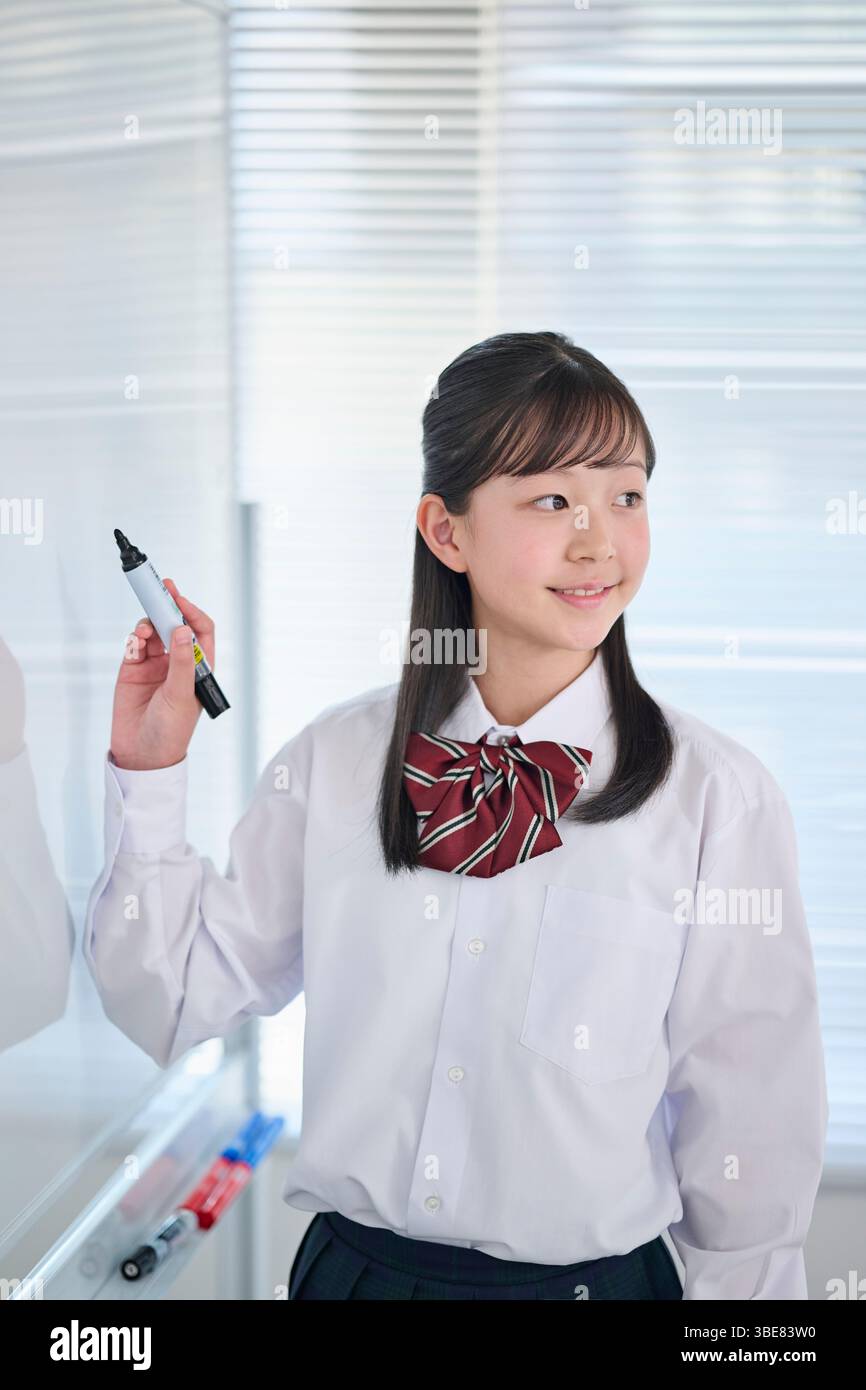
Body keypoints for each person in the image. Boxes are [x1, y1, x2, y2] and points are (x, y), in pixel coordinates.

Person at [83, 330, 827, 1300]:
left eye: (626, 495)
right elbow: (172, 996)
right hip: (355, 1281)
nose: (598, 539)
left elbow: (750, 1131)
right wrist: (150, 765)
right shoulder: (332, 764)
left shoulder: (715, 798)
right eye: (552, 498)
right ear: (446, 531)